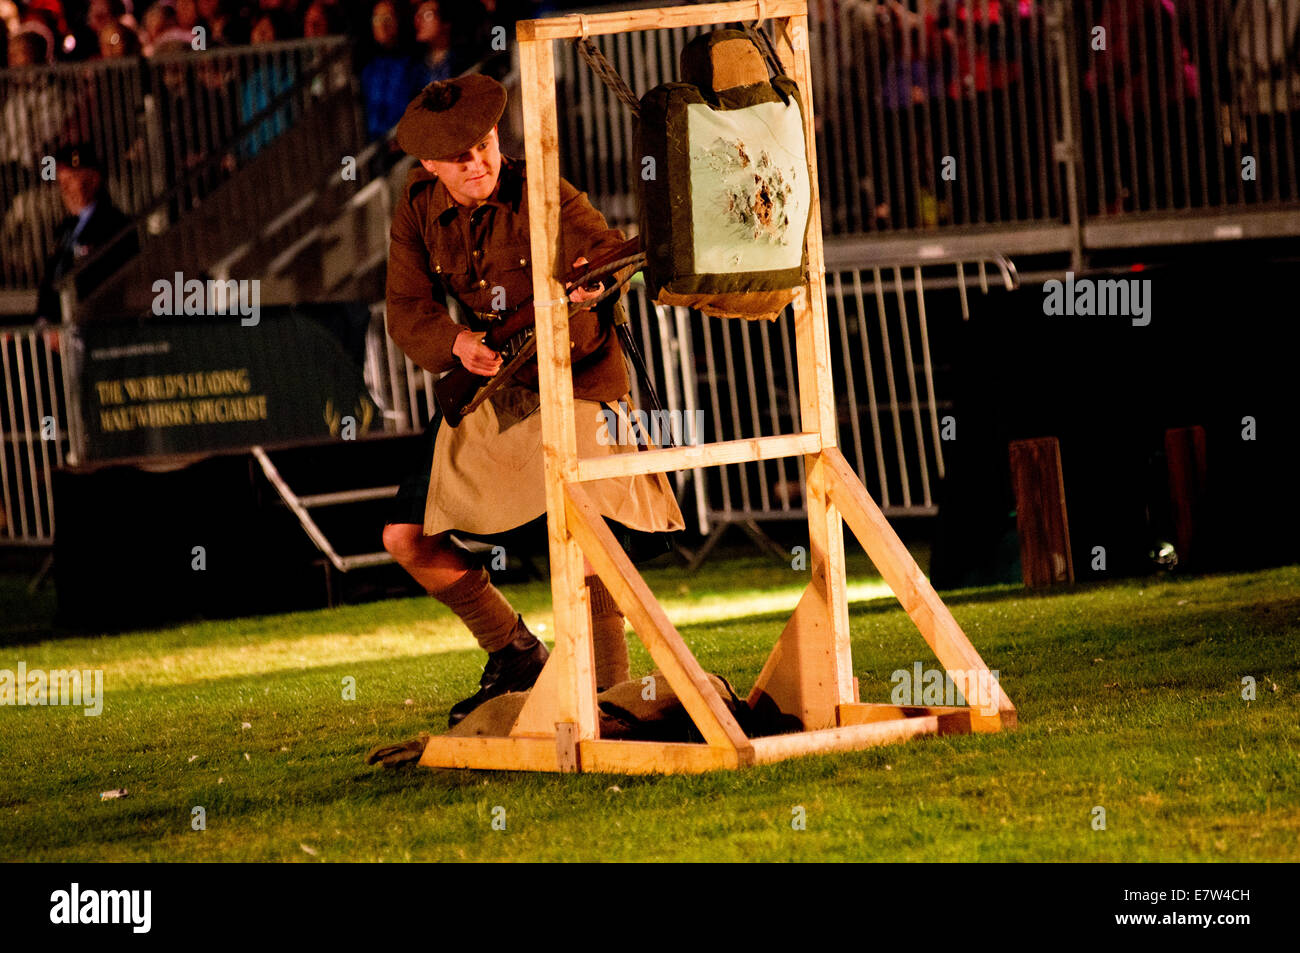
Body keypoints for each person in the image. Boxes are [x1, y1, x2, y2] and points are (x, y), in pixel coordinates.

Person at [383, 75, 684, 726]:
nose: (478, 162)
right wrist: (457, 343)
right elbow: (407, 310)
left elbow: (605, 255)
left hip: (577, 375)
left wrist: (586, 298)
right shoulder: (414, 209)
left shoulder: (545, 190)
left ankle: (612, 701)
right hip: (498, 381)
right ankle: (516, 651)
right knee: (406, 536)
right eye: (460, 156)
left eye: (486, 145)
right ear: (430, 165)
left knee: (588, 537)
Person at [36, 144, 137, 323]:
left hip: (94, 323)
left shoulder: (115, 224)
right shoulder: (65, 228)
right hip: (57, 327)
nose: (65, 190)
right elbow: (50, 278)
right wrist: (44, 318)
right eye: (61, 183)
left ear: (93, 180)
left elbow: (108, 281)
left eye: (72, 179)